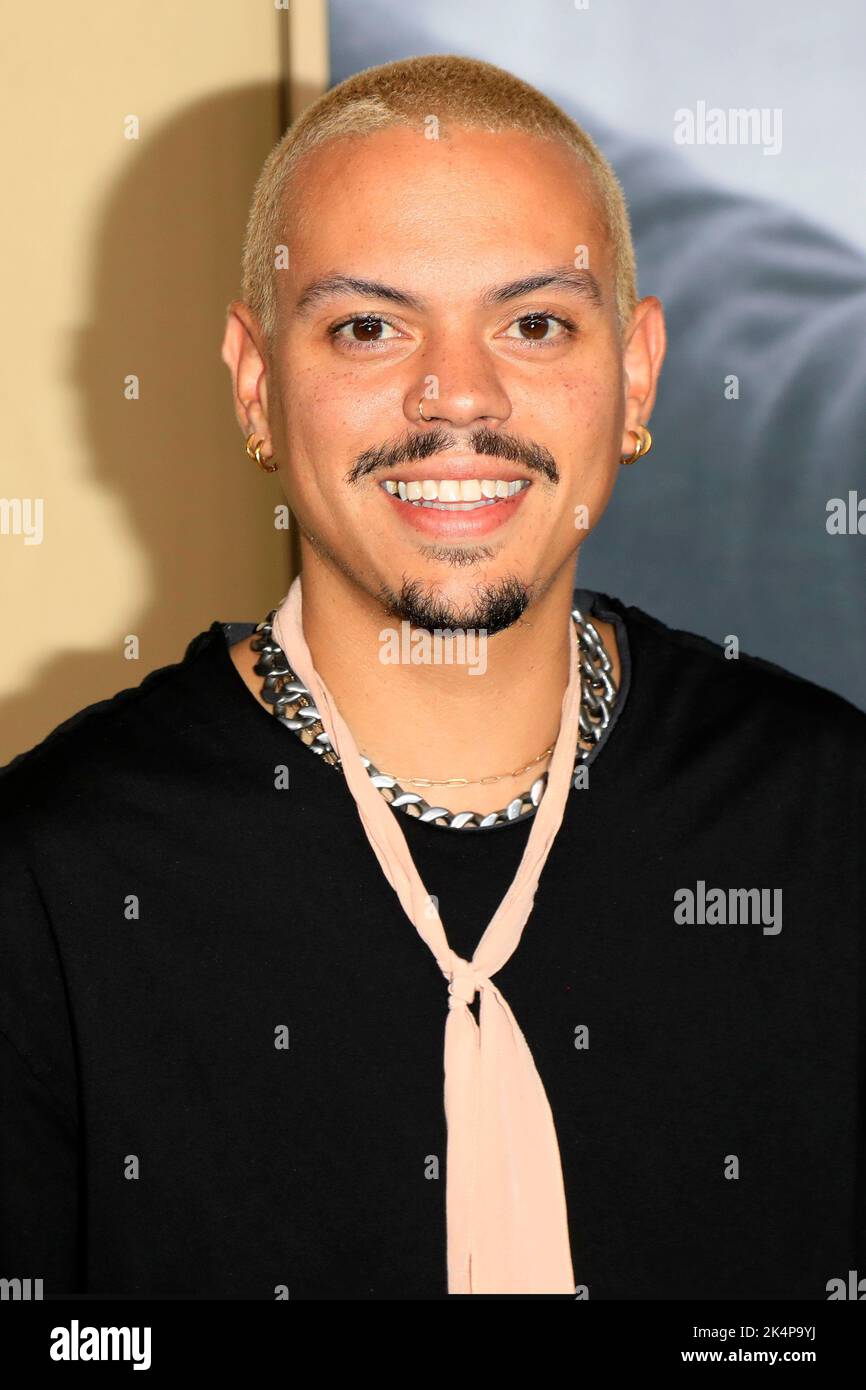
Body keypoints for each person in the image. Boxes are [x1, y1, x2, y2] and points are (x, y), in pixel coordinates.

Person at [1, 55, 863, 1300]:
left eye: (533, 323)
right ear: (254, 383)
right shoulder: (54, 880)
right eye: (367, 325)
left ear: (636, 373)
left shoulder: (826, 821)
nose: (455, 395)